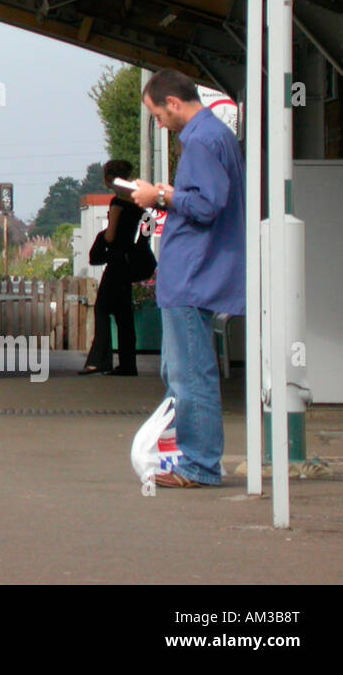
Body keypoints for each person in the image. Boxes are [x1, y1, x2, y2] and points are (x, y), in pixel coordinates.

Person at [131, 68, 245, 488]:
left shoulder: (201, 140)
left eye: (157, 114)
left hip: (194, 273)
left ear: (173, 104)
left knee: (190, 373)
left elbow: (207, 205)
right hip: (199, 271)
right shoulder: (215, 136)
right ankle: (191, 458)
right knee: (184, 370)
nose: (159, 123)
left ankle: (198, 464)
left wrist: (158, 195)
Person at [79, 160, 142, 376]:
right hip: (128, 260)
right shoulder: (136, 201)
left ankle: (100, 360)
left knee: (102, 309)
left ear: (110, 178)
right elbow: (146, 225)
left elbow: (111, 234)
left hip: (115, 263)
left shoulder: (118, 202)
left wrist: (103, 239)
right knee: (125, 316)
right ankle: (128, 363)